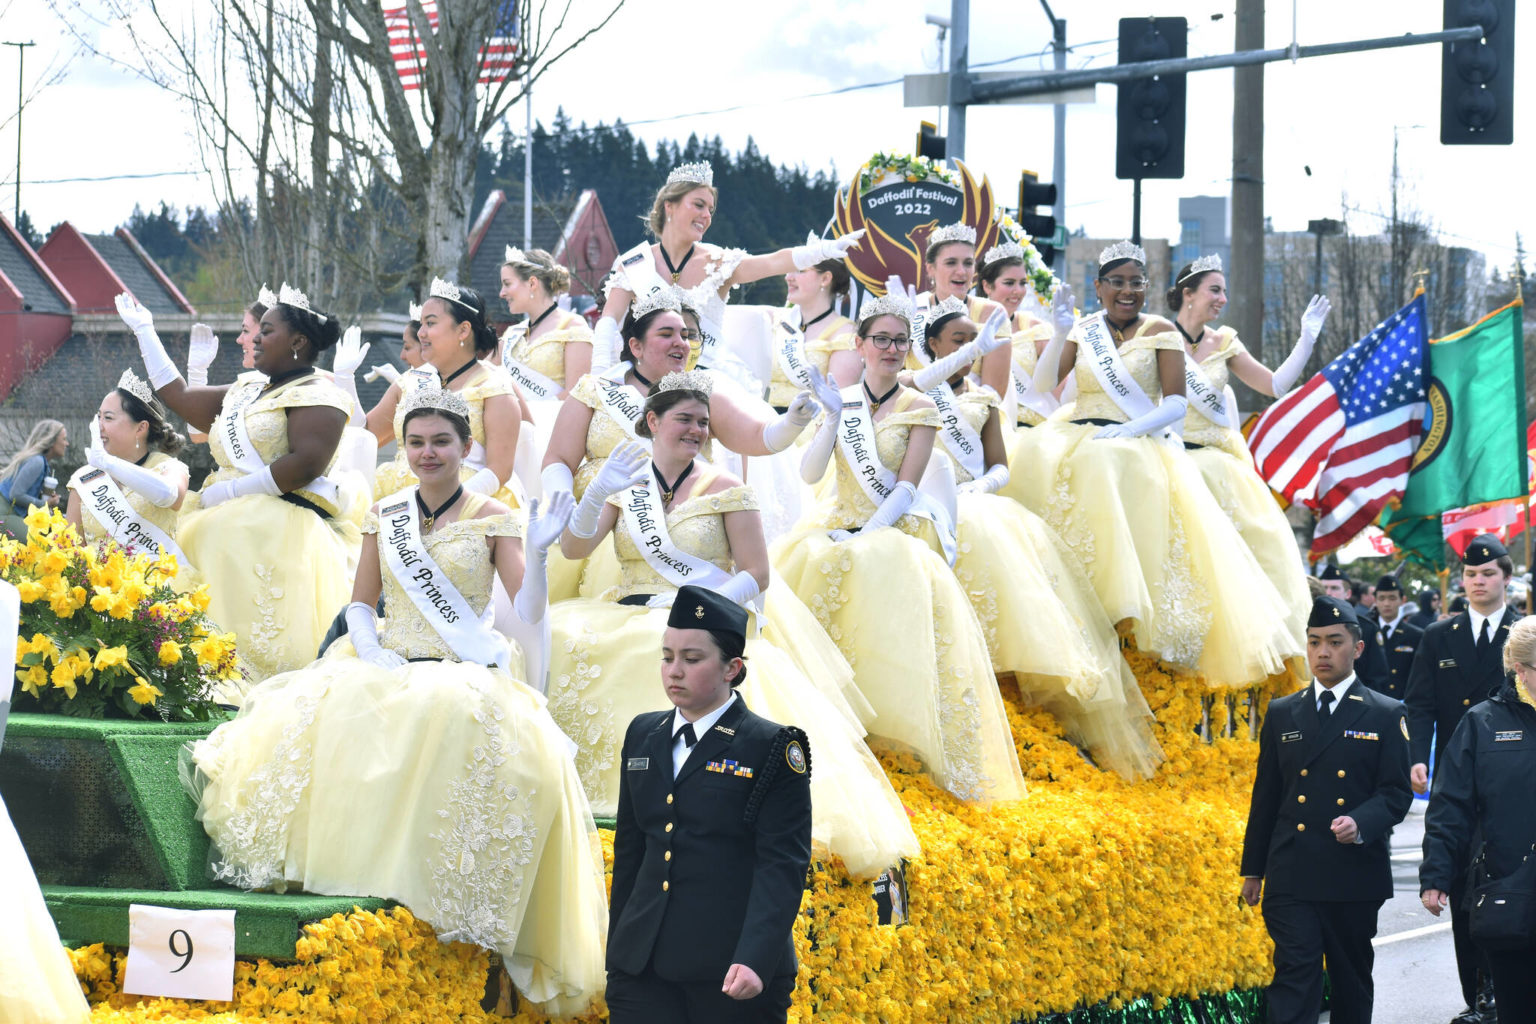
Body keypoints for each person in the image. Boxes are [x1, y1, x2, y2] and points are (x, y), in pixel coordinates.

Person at [186, 388, 606, 1016]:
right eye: (416, 442)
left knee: (451, 716)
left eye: (441, 442)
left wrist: (539, 555)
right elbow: (362, 600)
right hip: (387, 659)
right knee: (331, 710)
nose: (428, 453)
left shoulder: (493, 514)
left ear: (466, 447)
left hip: (462, 667)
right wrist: (366, 643)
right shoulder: (388, 513)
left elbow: (528, 612)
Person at [547, 374, 915, 878]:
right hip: (624, 608)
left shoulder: (726, 489)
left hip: (698, 618)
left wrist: (694, 610)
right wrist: (596, 496)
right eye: (684, 419)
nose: (697, 430)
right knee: (564, 639)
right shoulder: (625, 485)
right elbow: (572, 550)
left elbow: (757, 574)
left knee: (647, 649)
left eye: (704, 422)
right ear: (653, 421)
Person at [1006, 241, 1300, 689]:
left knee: (1107, 466)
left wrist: (1129, 429)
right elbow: (1042, 387)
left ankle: (1124, 612)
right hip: (1075, 430)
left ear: (1146, 288)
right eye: (1117, 282)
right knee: (1030, 462)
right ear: (1099, 287)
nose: (1127, 291)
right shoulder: (1085, 330)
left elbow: (1177, 403)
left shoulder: (1161, 329)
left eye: (1136, 283)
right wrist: (1063, 329)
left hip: (1133, 437)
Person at [773, 293, 1027, 804]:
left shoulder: (921, 405)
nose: (890, 349)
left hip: (895, 528)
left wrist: (867, 538)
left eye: (898, 341)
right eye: (880, 339)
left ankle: (893, 741)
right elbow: (810, 474)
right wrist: (826, 418)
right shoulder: (840, 397)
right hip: (837, 522)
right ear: (860, 344)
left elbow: (907, 488)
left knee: (866, 573)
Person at [912, 297, 1162, 779]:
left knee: (990, 538)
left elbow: (999, 465)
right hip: (921, 503)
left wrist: (977, 486)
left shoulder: (984, 398)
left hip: (975, 502)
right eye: (957, 341)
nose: (969, 349)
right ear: (933, 346)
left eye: (973, 341)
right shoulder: (911, 396)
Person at [115, 286, 362, 683]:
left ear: (297, 342)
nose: (256, 339)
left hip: (278, 524)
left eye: (267, 331)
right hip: (219, 513)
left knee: (225, 536)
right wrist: (145, 331)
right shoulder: (247, 389)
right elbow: (179, 397)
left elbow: (305, 464)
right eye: (257, 330)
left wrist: (229, 492)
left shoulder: (320, 394)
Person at [605, 585, 811, 1024]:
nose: (673, 671)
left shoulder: (771, 746)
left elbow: (782, 862)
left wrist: (756, 958)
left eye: (692, 659)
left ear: (732, 668)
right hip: (643, 969)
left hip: (731, 972)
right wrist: (619, 953)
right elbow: (632, 851)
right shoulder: (643, 733)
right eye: (667, 657)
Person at [540, 292, 818, 601]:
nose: (681, 343)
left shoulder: (702, 393)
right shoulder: (597, 389)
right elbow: (558, 458)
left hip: (683, 529)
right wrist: (566, 505)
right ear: (636, 346)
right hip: (600, 522)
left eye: (685, 335)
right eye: (667, 334)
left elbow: (759, 438)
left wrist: (793, 422)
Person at [1239, 596, 1413, 1024]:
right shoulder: (1283, 713)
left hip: (1351, 873)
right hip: (1292, 870)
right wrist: (1253, 870)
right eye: (1314, 641)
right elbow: (1266, 797)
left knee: (1350, 980)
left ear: (1357, 648)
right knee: (1295, 975)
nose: (1322, 651)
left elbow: (1396, 792)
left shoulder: (1385, 714)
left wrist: (1361, 821)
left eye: (1335, 642)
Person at [1165, 255, 1318, 667]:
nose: (1223, 299)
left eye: (1225, 291)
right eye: (1215, 289)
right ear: (1187, 293)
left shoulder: (1225, 342)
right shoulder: (1156, 336)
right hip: (1167, 460)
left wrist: (1306, 339)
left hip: (1216, 466)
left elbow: (1275, 385)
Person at [593, 161, 862, 377]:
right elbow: (608, 321)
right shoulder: (633, 263)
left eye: (710, 209)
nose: (706, 216)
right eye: (698, 205)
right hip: (647, 377)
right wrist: (599, 374)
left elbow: (772, 262)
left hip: (708, 377)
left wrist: (822, 251)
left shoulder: (718, 262)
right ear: (669, 206)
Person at [1405, 535, 1521, 1021]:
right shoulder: (1439, 635)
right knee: (1460, 885)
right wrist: (1417, 757)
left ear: (1506, 579)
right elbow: (1421, 703)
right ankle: (1476, 998)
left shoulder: (1524, 634)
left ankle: (1506, 994)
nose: (1478, 581)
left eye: (1488, 573)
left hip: (1509, 777)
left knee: (1508, 885)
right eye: (1471, 575)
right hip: (1457, 778)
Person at [1420, 615, 1536, 1024]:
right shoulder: (1482, 723)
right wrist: (1436, 875)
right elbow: (1450, 804)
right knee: (1517, 1009)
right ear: (1520, 670)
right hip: (1508, 892)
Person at [364, 279, 524, 507]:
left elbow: (499, 470)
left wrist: (441, 505)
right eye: (421, 324)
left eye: (430, 323)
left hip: (467, 508)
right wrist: (344, 381)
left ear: (463, 330)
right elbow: (366, 436)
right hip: (397, 506)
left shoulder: (494, 390)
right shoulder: (410, 380)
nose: (420, 333)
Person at [64, 373, 193, 580]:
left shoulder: (168, 467)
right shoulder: (84, 479)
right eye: (98, 417)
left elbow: (171, 496)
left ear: (141, 428)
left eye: (108, 418)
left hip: (157, 595)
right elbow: (71, 551)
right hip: (97, 596)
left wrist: (108, 463)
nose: (99, 426)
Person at [975, 235, 1064, 427]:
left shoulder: (1036, 329)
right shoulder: (967, 326)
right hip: (981, 425)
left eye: (1022, 283)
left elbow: (1059, 389)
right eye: (1009, 283)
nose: (1018, 291)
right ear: (987, 285)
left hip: (1031, 428)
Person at [498, 246, 593, 398]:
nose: (501, 293)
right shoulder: (512, 334)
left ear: (532, 283)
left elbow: (577, 396)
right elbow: (486, 377)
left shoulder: (572, 327)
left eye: (507, 284)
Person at [1320, 566, 1389, 694]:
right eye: (1324, 588)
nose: (1328, 593)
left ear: (1348, 594)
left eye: (1334, 588)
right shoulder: (1308, 626)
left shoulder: (1367, 629)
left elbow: (1377, 678)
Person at [0, 419, 67, 537]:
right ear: (51, 441)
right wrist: (45, 503)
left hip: (10, 514)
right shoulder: (37, 462)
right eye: (64, 439)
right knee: (37, 543)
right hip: (4, 513)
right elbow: (15, 495)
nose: (67, 444)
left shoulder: (40, 462)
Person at [1369, 575, 1422, 700]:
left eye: (1392, 598)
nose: (1386, 603)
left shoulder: (1416, 635)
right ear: (1375, 601)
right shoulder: (1366, 632)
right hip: (1372, 702)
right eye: (1381, 598)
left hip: (1402, 701)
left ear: (1402, 600)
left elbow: (1419, 676)